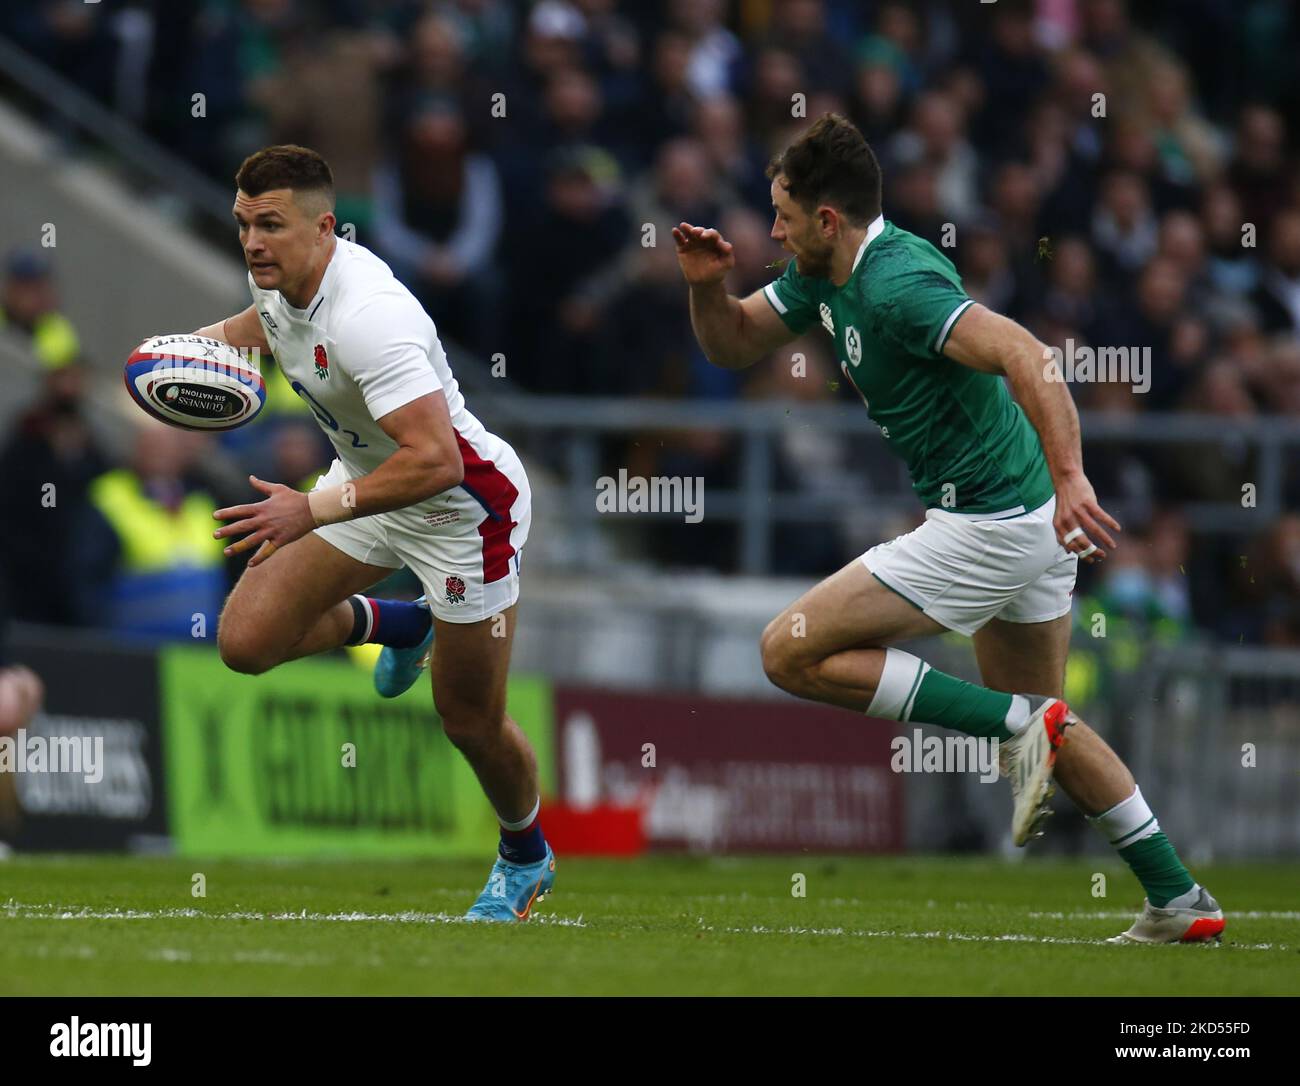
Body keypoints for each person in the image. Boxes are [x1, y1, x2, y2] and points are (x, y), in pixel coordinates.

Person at [673, 113, 1223, 945]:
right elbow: (734, 343)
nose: (773, 233)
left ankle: (1012, 729)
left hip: (994, 519)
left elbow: (1029, 354)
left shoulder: (896, 284)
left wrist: (1075, 475)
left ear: (828, 220)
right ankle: (1177, 896)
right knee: (1049, 717)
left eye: (784, 216)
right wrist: (705, 286)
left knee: (788, 650)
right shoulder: (822, 274)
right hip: (1023, 517)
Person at [184, 145, 551, 922]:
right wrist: (191, 348)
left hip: (463, 514)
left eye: (271, 225)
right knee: (245, 642)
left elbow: (439, 461)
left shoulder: (371, 319)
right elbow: (269, 323)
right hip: (366, 489)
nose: (252, 242)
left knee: (469, 720)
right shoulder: (277, 274)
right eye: (244, 224)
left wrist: (308, 509)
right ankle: (403, 622)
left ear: (326, 227)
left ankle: (525, 854)